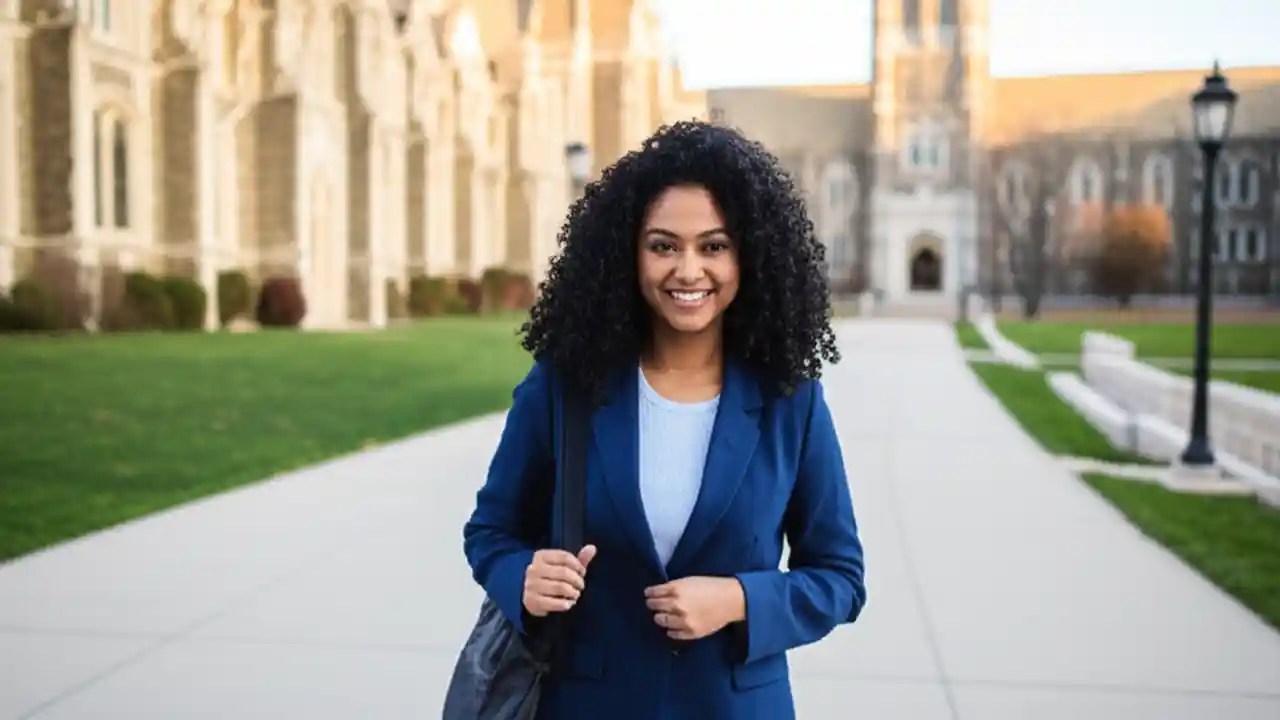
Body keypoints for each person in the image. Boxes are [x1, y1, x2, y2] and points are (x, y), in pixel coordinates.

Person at [462, 120, 866, 719]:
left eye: (713, 245)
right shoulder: (566, 386)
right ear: (628, 254)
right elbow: (491, 531)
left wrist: (739, 600)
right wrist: (522, 576)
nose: (688, 270)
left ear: (747, 256)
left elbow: (839, 578)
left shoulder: (791, 401)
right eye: (663, 245)